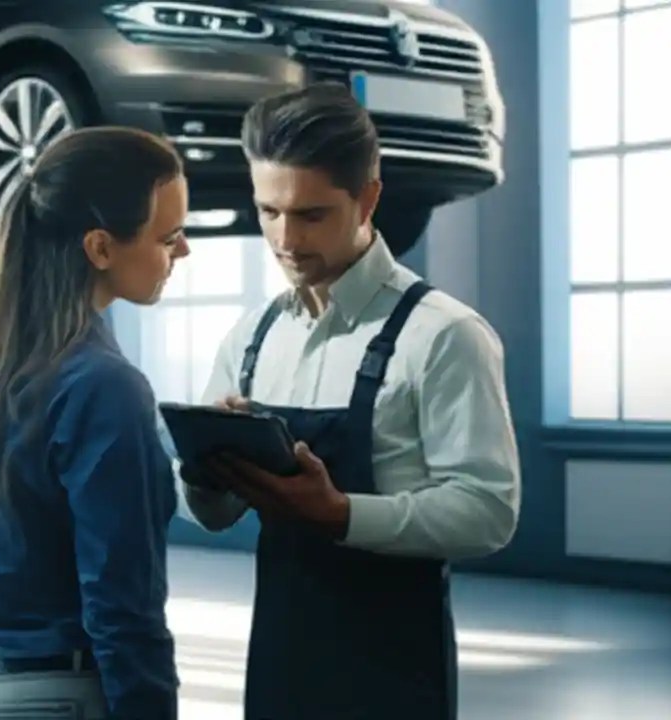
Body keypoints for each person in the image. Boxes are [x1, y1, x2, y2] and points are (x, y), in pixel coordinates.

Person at [179, 82, 521, 719]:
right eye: (268, 211)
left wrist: (340, 514)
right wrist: (205, 475)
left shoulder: (445, 335)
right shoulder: (252, 338)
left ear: (368, 199)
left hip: (393, 674)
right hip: (278, 662)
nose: (285, 239)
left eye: (311, 215)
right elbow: (211, 515)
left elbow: (488, 512)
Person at [0, 126, 191, 719]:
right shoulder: (107, 389)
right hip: (63, 700)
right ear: (100, 248)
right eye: (169, 235)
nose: (183, 251)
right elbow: (124, 608)